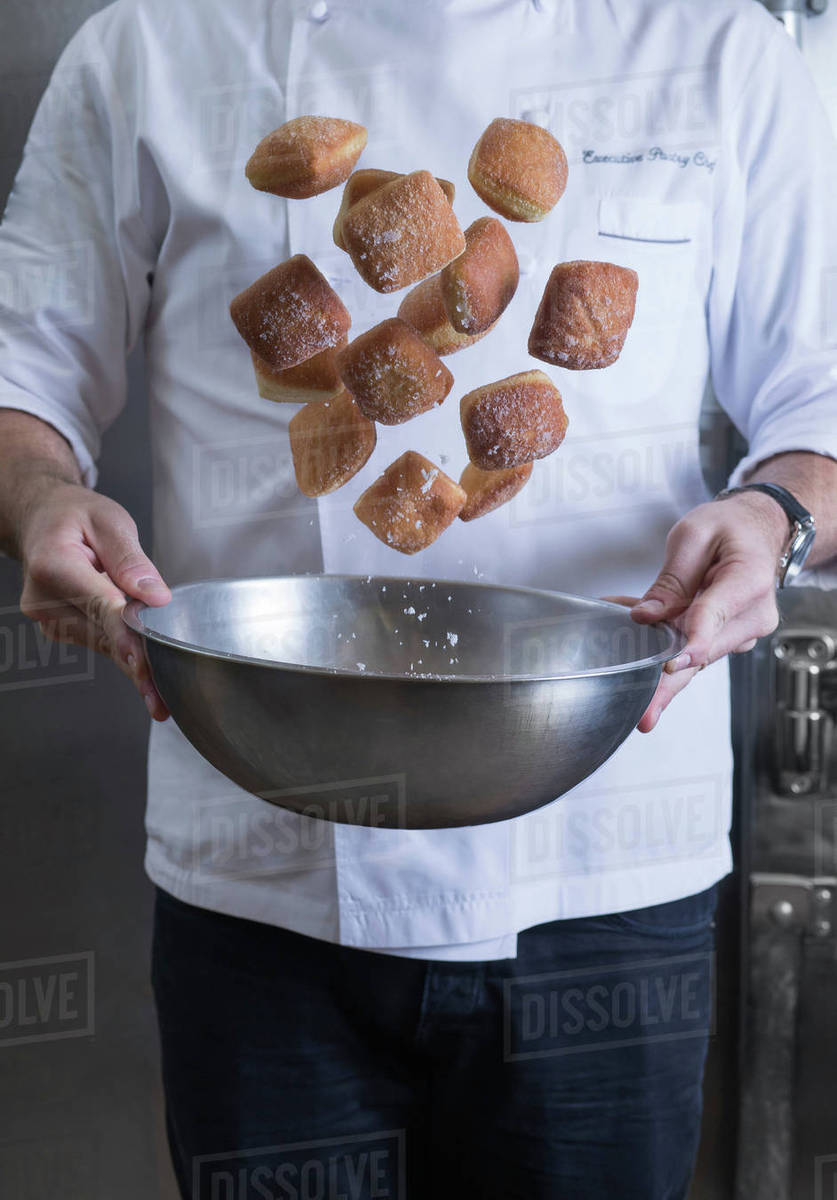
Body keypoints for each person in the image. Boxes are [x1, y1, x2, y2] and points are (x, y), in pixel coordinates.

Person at [2, 0, 837, 1195]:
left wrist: (779, 520)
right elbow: (20, 367)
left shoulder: (712, 43)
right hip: (260, 860)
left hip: (606, 868)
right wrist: (36, 499)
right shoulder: (151, 40)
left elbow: (824, 403)